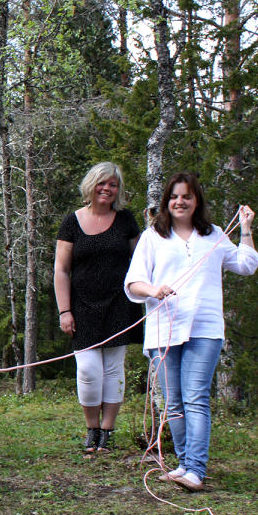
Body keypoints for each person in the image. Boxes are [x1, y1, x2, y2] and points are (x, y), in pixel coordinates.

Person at [125, 172, 258, 491]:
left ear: (196, 200)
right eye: (174, 196)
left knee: (196, 397)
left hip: (205, 328)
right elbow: (133, 282)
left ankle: (196, 469)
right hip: (164, 329)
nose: (180, 202)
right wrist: (154, 290)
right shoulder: (153, 237)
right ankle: (185, 464)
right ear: (166, 201)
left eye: (186, 196)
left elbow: (246, 265)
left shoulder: (213, 235)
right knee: (173, 403)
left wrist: (246, 229)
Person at [53, 162, 143, 454]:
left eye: (113, 185)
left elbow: (142, 261)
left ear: (118, 190)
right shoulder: (72, 221)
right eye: (102, 183)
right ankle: (91, 429)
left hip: (120, 304)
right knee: (89, 370)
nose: (107, 189)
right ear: (91, 185)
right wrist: (64, 311)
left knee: (114, 370)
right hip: (81, 306)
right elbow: (61, 270)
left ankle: (107, 432)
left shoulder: (126, 220)